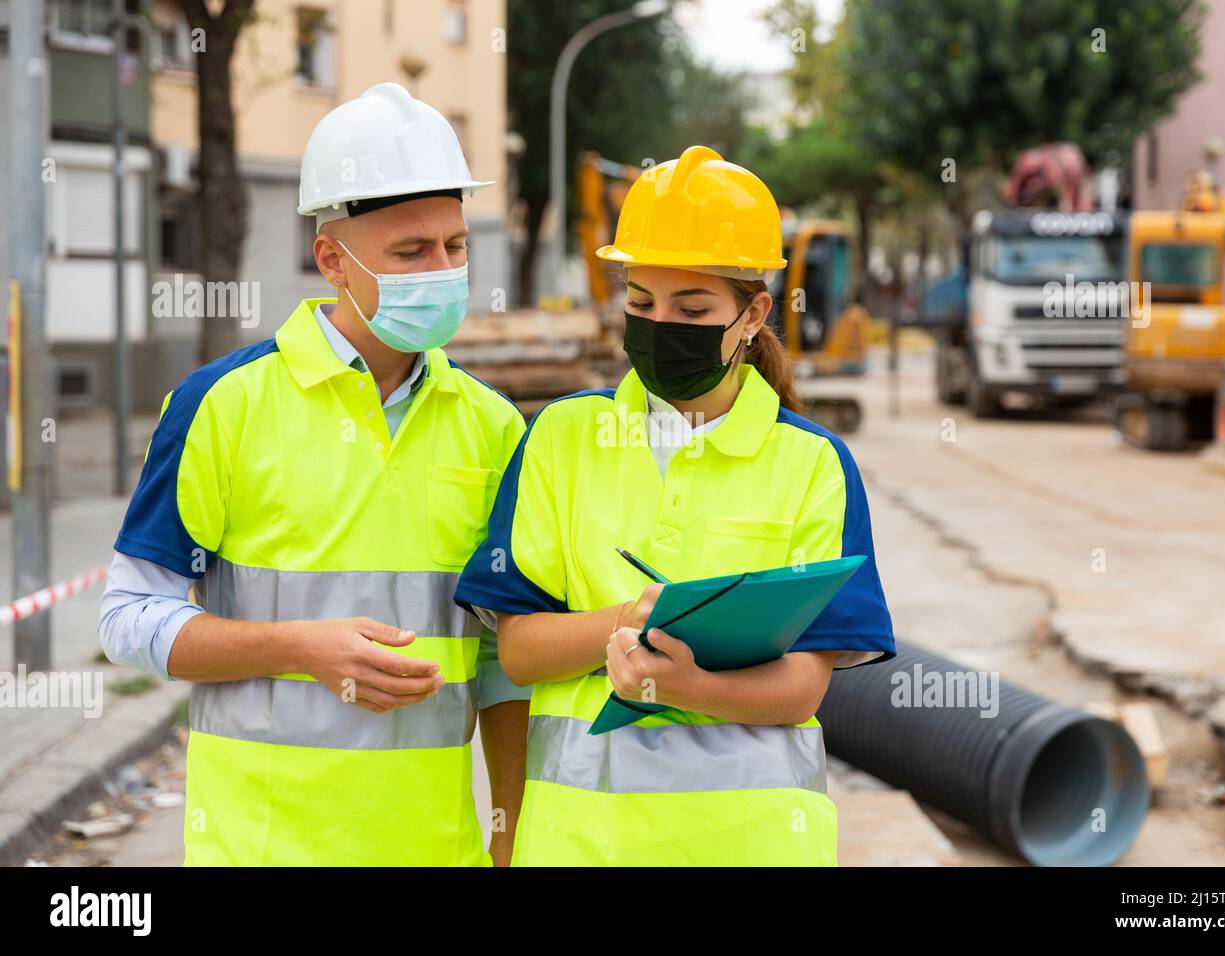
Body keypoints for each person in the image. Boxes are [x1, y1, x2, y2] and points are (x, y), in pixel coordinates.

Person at [98, 83, 530, 866]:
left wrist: (510, 842)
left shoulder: (496, 428)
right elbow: (127, 618)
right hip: (259, 851)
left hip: (437, 853)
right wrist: (299, 646)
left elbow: (504, 662)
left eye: (455, 246)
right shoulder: (221, 406)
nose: (442, 270)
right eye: (411, 252)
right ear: (332, 258)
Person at [454, 145, 896, 866]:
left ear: (753, 314)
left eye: (691, 308)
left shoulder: (815, 465)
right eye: (640, 303)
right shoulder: (561, 438)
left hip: (750, 849)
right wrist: (624, 623)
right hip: (579, 849)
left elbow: (803, 689)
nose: (660, 325)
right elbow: (521, 650)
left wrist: (684, 683)